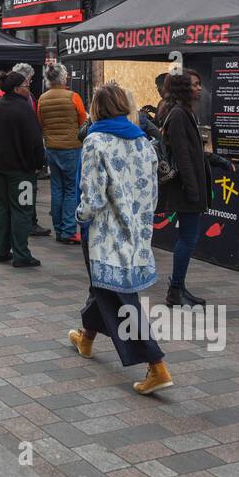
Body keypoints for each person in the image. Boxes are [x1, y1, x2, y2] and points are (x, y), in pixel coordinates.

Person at [68, 82, 172, 394]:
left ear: (96, 108)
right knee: (104, 288)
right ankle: (86, 338)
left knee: (118, 296)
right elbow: (153, 191)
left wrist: (80, 217)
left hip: (104, 234)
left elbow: (93, 194)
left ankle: (156, 365)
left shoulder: (95, 141)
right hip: (137, 231)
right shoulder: (143, 141)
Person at [0, 71, 46, 267]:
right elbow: (35, 142)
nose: (29, 89)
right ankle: (21, 254)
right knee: (22, 210)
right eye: (26, 86)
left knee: (1, 207)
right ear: (17, 89)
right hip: (21, 171)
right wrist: (37, 164)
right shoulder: (24, 110)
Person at [159, 69, 210, 308]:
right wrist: (192, 189)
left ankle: (179, 287)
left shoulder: (185, 112)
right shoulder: (179, 114)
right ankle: (176, 289)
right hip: (185, 187)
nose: (199, 88)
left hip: (189, 185)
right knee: (188, 237)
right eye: (195, 84)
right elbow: (182, 155)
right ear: (183, 88)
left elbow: (193, 152)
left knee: (189, 237)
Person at [37, 63, 88, 245]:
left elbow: (41, 121)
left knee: (56, 189)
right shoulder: (73, 97)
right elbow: (83, 121)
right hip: (72, 148)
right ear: (62, 78)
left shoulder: (42, 99)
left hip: (51, 148)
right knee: (70, 190)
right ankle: (68, 230)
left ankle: (58, 228)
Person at [11, 62, 50, 237]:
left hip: (16, 156)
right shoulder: (24, 100)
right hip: (23, 157)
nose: (31, 82)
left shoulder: (2, 98)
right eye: (29, 79)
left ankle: (27, 222)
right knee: (26, 191)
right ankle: (28, 223)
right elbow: (31, 129)